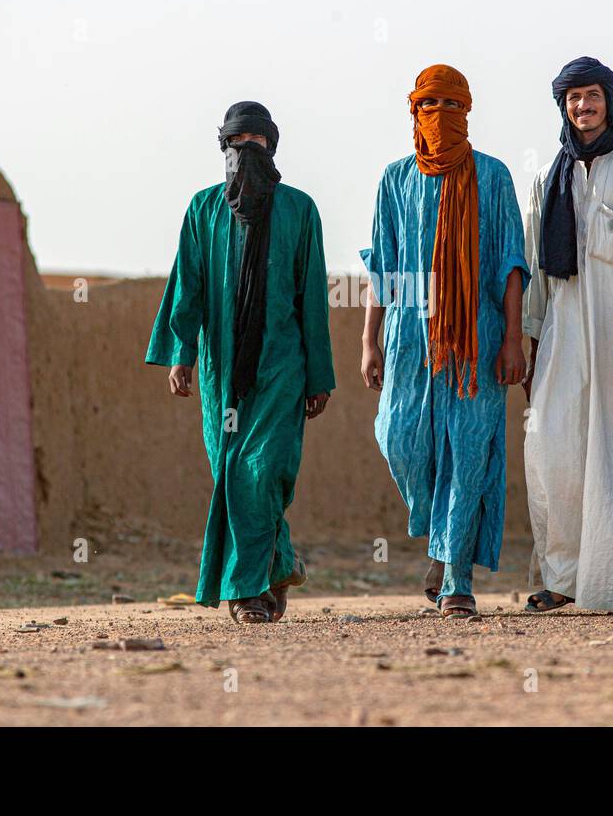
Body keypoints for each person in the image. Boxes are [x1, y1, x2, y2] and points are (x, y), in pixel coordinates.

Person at [145, 101, 335, 624]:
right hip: (220, 371)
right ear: (223, 148)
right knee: (234, 472)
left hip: (281, 367)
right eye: (237, 143)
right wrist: (179, 355)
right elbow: (188, 286)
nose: (246, 151)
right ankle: (275, 568)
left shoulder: (300, 209)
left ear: (271, 146)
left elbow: (312, 297)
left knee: (265, 469)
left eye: (256, 142)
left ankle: (246, 591)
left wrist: (318, 375)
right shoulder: (203, 209)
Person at [360, 64, 530, 619]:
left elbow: (510, 264)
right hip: (409, 336)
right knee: (401, 440)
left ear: (468, 112)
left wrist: (511, 339)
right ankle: (440, 540)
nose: (442, 117)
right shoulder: (394, 179)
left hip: (477, 339)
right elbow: (382, 268)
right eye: (430, 106)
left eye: (453, 106)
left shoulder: (494, 175)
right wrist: (370, 339)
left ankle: (456, 578)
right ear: (415, 112)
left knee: (468, 453)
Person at [520, 57, 613, 615]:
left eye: (592, 97)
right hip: (561, 335)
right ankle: (563, 578)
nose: (582, 108)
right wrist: (529, 345)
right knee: (553, 450)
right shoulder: (544, 180)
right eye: (572, 99)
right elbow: (536, 273)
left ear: (610, 102)